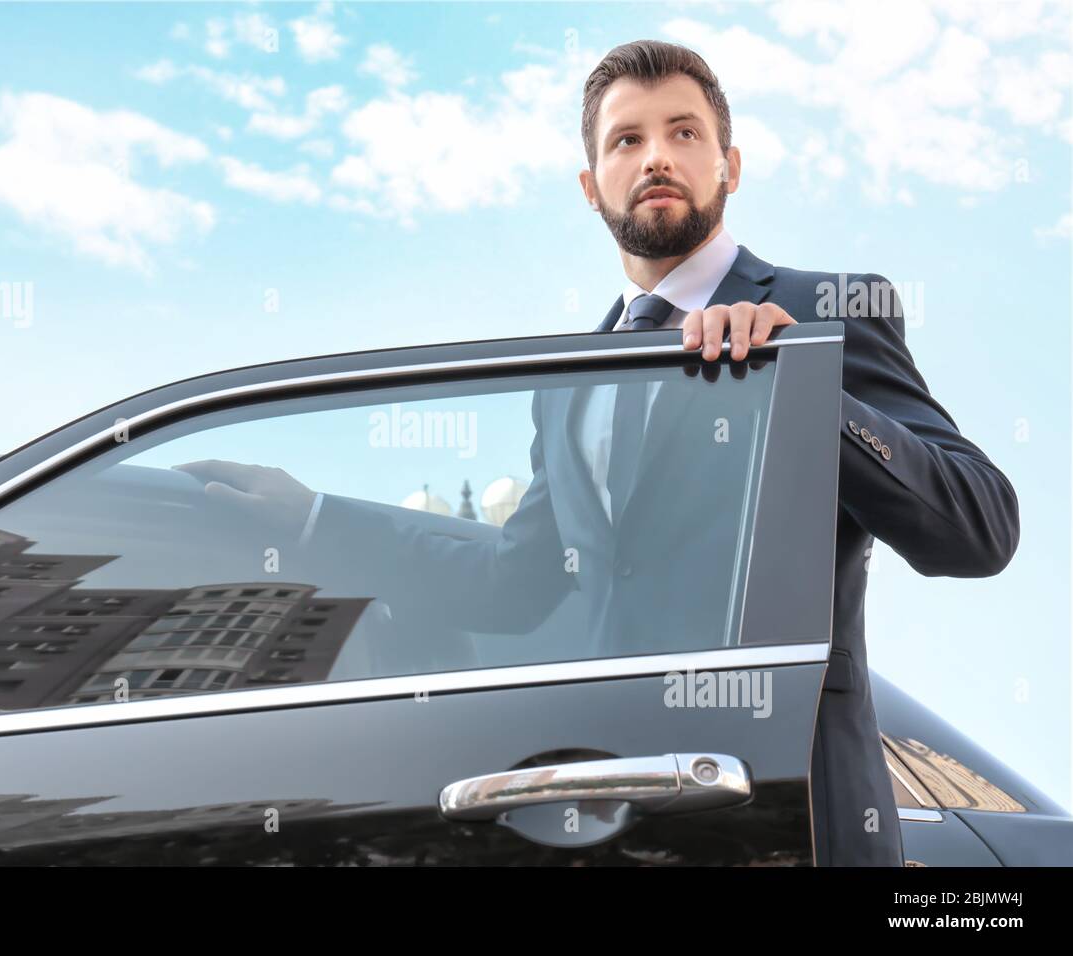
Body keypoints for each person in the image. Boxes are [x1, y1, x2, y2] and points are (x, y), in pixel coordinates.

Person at [175, 39, 1020, 866]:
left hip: (794, 802)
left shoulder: (825, 308)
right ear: (591, 186)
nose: (658, 156)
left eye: (685, 133)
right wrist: (315, 518)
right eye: (628, 139)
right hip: (632, 819)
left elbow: (978, 528)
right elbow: (515, 584)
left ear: (730, 164)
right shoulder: (570, 377)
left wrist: (800, 386)